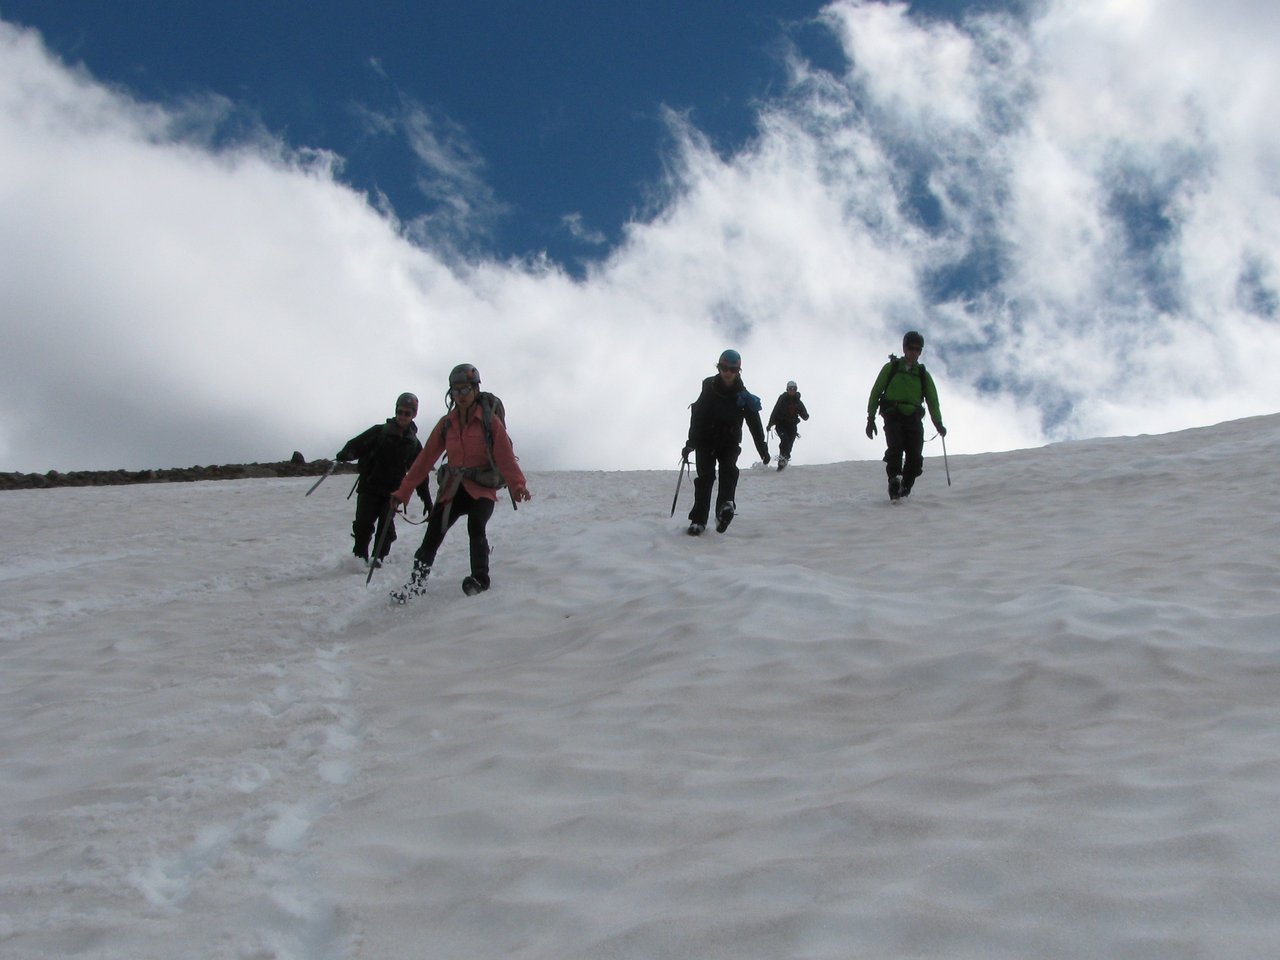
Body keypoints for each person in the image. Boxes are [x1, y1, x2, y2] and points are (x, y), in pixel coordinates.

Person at [389, 364, 532, 602]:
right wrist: (403, 491)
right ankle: (415, 585)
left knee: (476, 527)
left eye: (465, 389)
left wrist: (517, 484)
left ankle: (480, 580)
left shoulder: (489, 422)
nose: (460, 396)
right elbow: (424, 461)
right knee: (433, 534)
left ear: (476, 389)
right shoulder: (447, 423)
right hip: (453, 489)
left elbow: (505, 456)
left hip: (482, 488)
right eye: (455, 391)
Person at [682, 349, 770, 536]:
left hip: (729, 442)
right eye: (724, 368)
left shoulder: (743, 396)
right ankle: (698, 521)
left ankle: (724, 509)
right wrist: (691, 442)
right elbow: (698, 415)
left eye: (732, 369)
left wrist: (762, 449)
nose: (727, 372)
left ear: (738, 371)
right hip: (706, 441)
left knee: (728, 471)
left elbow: (755, 424)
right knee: (705, 479)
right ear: (719, 367)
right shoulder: (708, 387)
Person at [335, 392, 431, 566]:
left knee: (385, 527)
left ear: (414, 415)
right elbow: (356, 445)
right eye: (399, 411)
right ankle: (359, 556)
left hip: (393, 492)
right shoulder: (379, 432)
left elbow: (420, 473)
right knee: (363, 524)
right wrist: (347, 454)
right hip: (369, 486)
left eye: (407, 413)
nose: (402, 416)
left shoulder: (414, 444)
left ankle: (378, 558)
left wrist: (427, 500)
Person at [865, 330, 947, 500]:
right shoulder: (891, 368)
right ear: (904, 348)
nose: (913, 352)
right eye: (911, 348)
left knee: (915, 457)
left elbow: (933, 400)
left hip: (914, 417)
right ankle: (895, 479)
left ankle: (905, 487)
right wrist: (870, 418)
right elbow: (875, 392)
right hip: (892, 413)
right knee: (896, 447)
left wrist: (938, 423)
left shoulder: (923, 375)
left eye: (917, 349)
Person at [767, 380, 810, 470]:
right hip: (781, 425)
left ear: (796, 389)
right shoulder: (782, 399)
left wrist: (805, 415)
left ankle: (784, 460)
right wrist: (770, 424)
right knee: (785, 440)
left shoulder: (798, 401)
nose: (792, 390)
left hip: (792, 426)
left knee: (789, 444)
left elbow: (804, 414)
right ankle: (781, 462)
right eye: (790, 388)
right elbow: (775, 411)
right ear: (787, 389)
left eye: (793, 389)